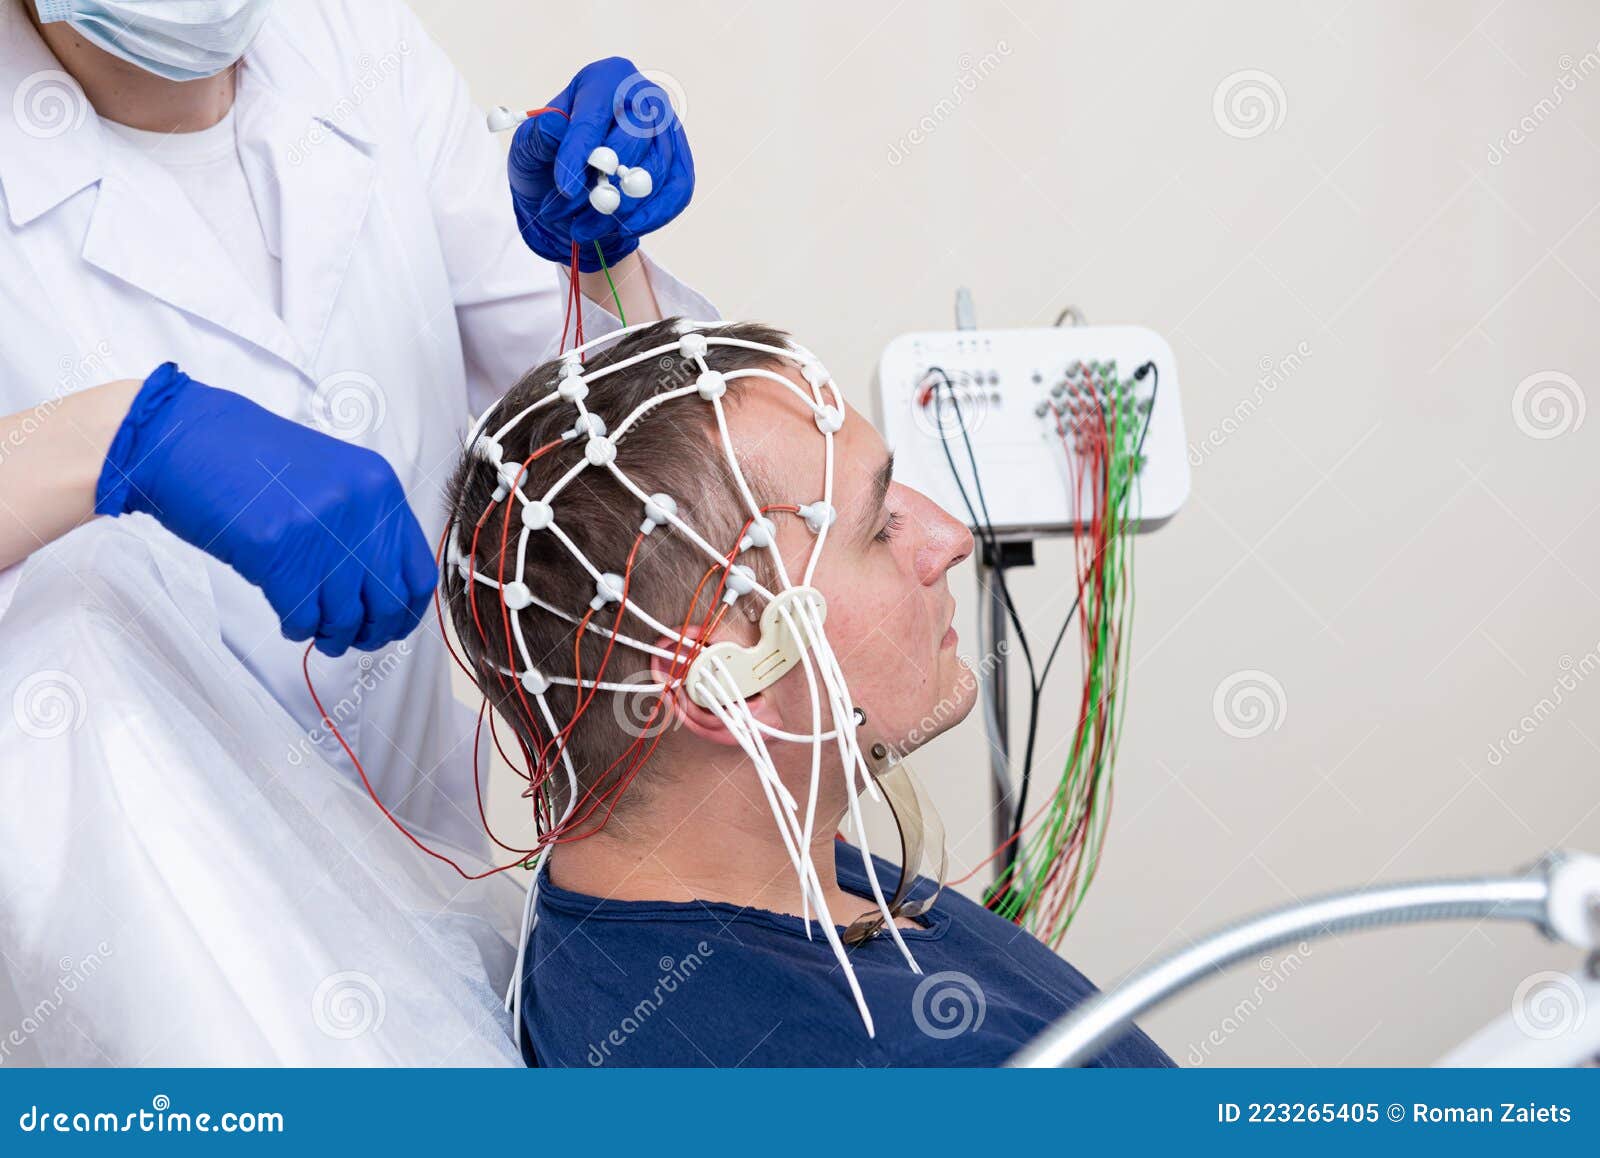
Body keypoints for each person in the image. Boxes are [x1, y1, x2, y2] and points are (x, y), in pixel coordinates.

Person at [0, 0, 711, 847]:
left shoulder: (355, 43)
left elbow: (597, 430)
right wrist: (122, 441)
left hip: (425, 858)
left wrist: (597, 255)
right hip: (122, 902)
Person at [441, 319, 1173, 1067]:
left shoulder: (678, 892)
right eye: (879, 527)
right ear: (730, 685)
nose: (951, 536)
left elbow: (643, 490)